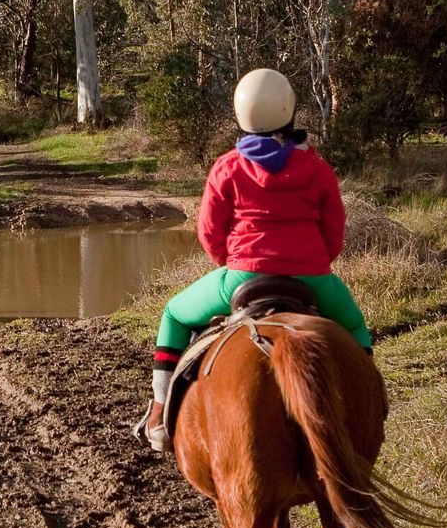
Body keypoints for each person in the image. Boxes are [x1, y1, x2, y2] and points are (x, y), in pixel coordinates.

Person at [141, 68, 372, 453]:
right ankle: (370, 408)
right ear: (289, 110)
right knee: (357, 331)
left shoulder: (227, 166)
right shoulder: (317, 168)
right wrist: (314, 264)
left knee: (173, 314)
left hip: (242, 277)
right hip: (313, 277)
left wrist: (229, 263)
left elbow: (209, 233)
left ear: (240, 113)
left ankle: (160, 414)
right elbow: (334, 233)